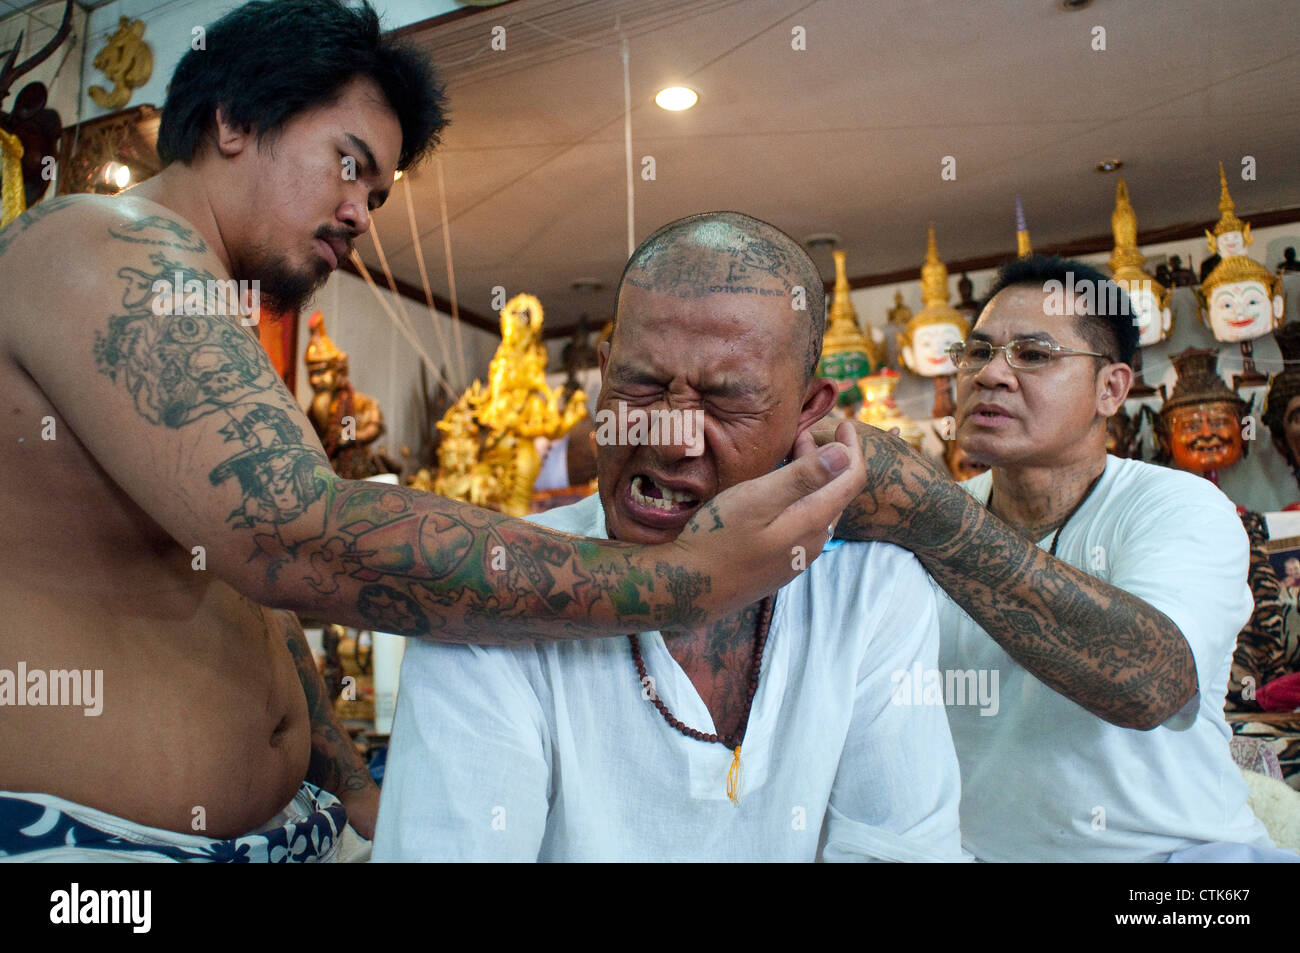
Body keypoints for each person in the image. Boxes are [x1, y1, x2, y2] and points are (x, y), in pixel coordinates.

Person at [0, 2, 863, 861]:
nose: (360, 214)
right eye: (348, 165)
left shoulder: (212, 308)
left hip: (286, 826)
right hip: (94, 850)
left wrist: (349, 784)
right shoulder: (103, 239)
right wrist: (689, 578)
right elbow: (301, 538)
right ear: (232, 119)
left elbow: (249, 595)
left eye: (375, 193)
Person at [373, 212, 963, 862]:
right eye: (641, 384)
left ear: (808, 411)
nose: (667, 436)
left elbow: (900, 848)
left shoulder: (866, 585)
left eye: (724, 400)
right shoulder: (495, 591)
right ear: (602, 377)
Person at [820, 255, 1293, 862]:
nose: (991, 375)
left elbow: (1152, 685)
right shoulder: (922, 521)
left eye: (1035, 355)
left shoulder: (1177, 506)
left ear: (1111, 389)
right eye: (979, 352)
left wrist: (928, 516)